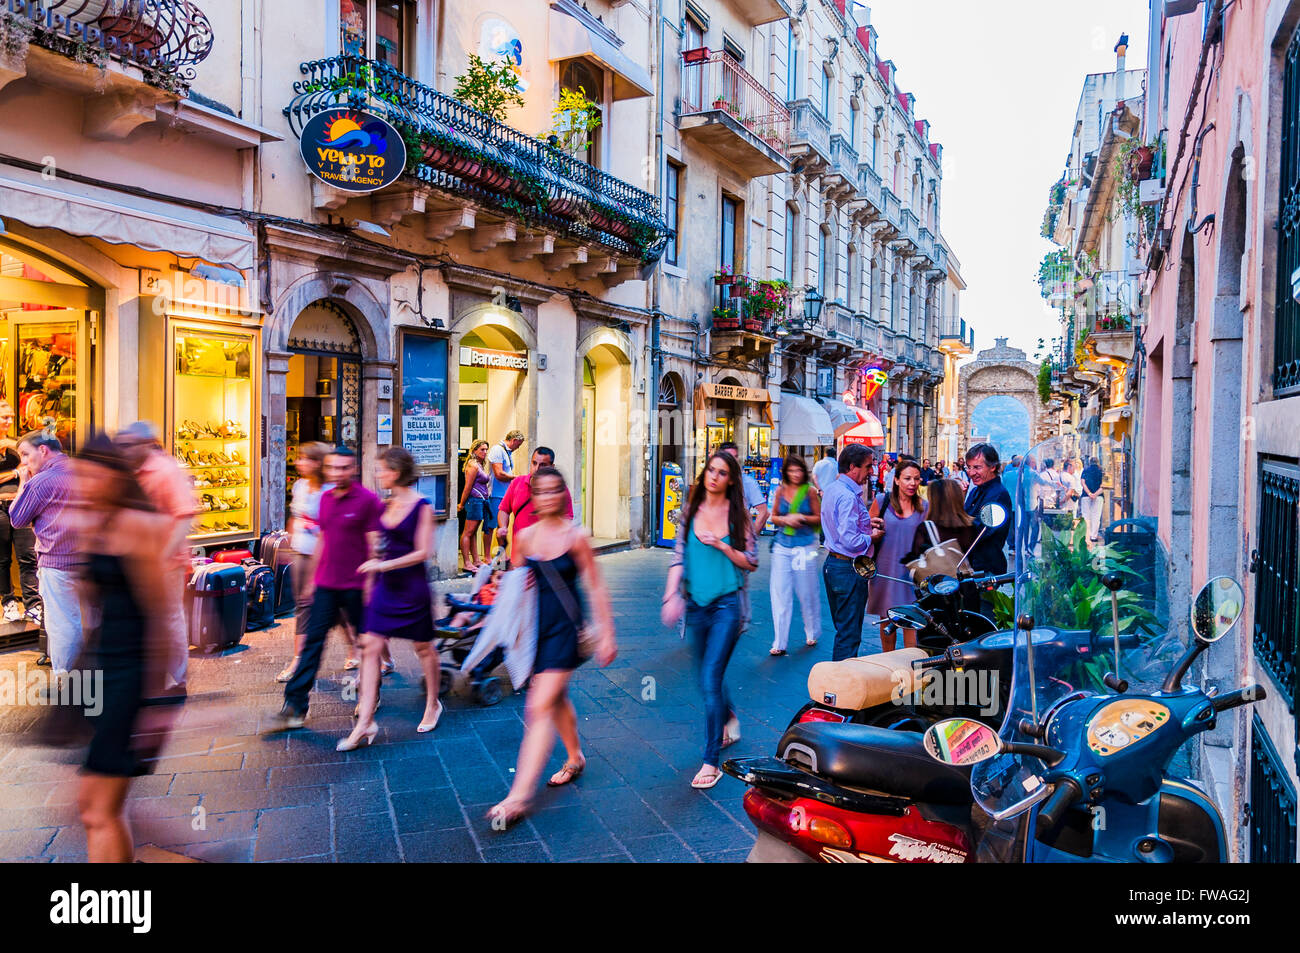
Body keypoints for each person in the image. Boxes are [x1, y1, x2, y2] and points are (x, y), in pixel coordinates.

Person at [488, 467, 616, 826]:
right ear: (533, 496)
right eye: (539, 492)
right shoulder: (525, 536)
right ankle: (575, 757)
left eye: (553, 491)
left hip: (566, 630)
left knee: (539, 705)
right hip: (537, 630)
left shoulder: (577, 538)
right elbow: (518, 583)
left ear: (563, 494)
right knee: (555, 699)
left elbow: (596, 586)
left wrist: (607, 633)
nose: (546, 498)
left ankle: (518, 796)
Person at [72, 435, 176, 863]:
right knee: (95, 806)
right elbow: (91, 599)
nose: (85, 485)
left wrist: (154, 700)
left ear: (116, 477)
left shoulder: (137, 523)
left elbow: (159, 613)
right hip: (98, 667)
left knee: (98, 808)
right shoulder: (102, 521)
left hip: (126, 674)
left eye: (93, 476)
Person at [661, 452, 758, 789]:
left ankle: (710, 761)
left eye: (721, 472)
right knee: (708, 675)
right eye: (710, 470)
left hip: (727, 606)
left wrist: (720, 545)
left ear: (731, 479)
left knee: (709, 679)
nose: (714, 477)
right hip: (696, 606)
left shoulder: (738, 516)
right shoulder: (690, 511)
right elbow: (678, 557)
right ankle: (729, 716)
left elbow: (751, 561)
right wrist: (671, 595)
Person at [273, 448, 384, 729]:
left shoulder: (368, 501)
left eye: (344, 468)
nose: (338, 473)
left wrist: (372, 586)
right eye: (334, 468)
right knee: (313, 643)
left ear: (354, 468)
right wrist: (312, 579)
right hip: (326, 584)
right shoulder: (324, 498)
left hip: (357, 585)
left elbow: (374, 547)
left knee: (364, 645)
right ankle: (295, 705)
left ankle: (372, 695)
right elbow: (322, 538)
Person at [339, 447, 442, 751]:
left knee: (423, 648)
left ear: (396, 472)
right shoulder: (385, 505)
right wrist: (371, 578)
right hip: (385, 586)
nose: (378, 474)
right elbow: (376, 547)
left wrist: (382, 566)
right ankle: (365, 722)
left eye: (382, 470)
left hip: (412, 587)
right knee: (369, 646)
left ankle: (433, 703)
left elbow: (424, 552)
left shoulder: (422, 506)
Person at [116, 421, 199, 691]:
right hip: (137, 560)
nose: (124, 451)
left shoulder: (165, 470)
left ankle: (177, 679)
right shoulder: (129, 471)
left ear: (144, 444)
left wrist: (163, 556)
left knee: (169, 617)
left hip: (166, 562)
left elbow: (185, 515)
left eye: (128, 445)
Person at [10, 430, 81, 676]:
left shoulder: (42, 481)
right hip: (90, 561)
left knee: (62, 624)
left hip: (58, 562)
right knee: (83, 621)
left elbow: (17, 518)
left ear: (43, 450)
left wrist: (23, 482)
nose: (25, 462)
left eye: (26, 454)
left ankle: (68, 681)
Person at [821, 444, 885, 661]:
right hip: (848, 567)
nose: (872, 472)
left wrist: (867, 524)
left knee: (844, 628)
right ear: (852, 467)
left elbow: (840, 528)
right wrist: (871, 537)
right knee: (848, 634)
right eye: (868, 467)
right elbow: (850, 540)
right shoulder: (848, 496)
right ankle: (841, 684)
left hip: (833, 565)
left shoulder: (832, 489)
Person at [867, 458, 928, 648]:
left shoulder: (924, 506)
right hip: (885, 571)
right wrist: (873, 531)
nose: (912, 483)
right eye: (907, 478)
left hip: (911, 573)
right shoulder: (881, 501)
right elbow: (866, 529)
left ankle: (912, 669)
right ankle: (888, 663)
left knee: (912, 621)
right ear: (896, 480)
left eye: (916, 479)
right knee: (886, 620)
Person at [768, 456, 822, 655]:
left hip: (804, 546)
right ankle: (779, 642)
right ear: (786, 472)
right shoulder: (781, 490)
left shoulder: (809, 491)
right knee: (780, 593)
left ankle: (811, 631)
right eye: (791, 471)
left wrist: (802, 518)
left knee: (805, 592)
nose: (795, 474)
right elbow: (773, 516)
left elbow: (819, 518)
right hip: (782, 545)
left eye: (798, 470)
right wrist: (784, 520)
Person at [495, 446, 574, 556]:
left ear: (552, 467)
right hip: (520, 555)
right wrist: (503, 527)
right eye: (534, 463)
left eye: (543, 465)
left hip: (547, 557)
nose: (537, 469)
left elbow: (567, 519)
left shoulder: (560, 490)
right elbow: (504, 509)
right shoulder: (517, 483)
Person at [0, 401, 38, 626]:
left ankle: (33, 604)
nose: (10, 421)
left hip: (21, 505)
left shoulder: (15, 445)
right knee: (3, 559)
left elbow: (33, 466)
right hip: (0, 507)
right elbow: (23, 469)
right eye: (5, 417)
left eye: (11, 417)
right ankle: (8, 603)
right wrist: (15, 472)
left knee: (28, 556)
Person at [962, 443, 1013, 612]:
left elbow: (978, 530)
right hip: (971, 567)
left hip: (984, 569)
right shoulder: (976, 491)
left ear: (993, 467)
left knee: (982, 621)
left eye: (977, 467)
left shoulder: (997, 494)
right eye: (968, 467)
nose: (971, 472)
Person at [904, 477, 980, 568]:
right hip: (964, 579)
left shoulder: (926, 528)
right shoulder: (972, 526)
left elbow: (916, 562)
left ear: (934, 500)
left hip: (939, 580)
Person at [484, 430, 525, 556]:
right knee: (490, 528)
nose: (518, 448)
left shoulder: (507, 452)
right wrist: (515, 478)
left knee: (502, 529)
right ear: (513, 440)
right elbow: (499, 474)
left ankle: (500, 557)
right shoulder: (498, 450)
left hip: (504, 495)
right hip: (496, 495)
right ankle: (487, 557)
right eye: (518, 445)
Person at [719, 442, 768, 537]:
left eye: (735, 456)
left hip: (738, 537)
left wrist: (751, 538)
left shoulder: (748, 482)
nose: (733, 460)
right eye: (729, 456)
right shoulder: (714, 480)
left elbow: (763, 512)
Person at [457, 439, 491, 572]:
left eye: (486, 449)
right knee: (468, 532)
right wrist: (461, 504)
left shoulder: (479, 464)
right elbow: (467, 487)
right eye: (482, 449)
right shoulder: (473, 465)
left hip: (481, 501)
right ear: (474, 450)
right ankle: (466, 562)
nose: (485, 452)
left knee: (473, 532)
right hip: (474, 501)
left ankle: (476, 560)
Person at [1079, 456, 1106, 542]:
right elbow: (1104, 485)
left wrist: (1089, 493)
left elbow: (1082, 483)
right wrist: (1095, 494)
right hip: (1098, 497)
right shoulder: (1102, 471)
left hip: (1086, 496)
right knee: (1096, 516)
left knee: (1086, 516)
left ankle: (1086, 537)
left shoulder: (1085, 470)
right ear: (1098, 462)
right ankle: (1093, 536)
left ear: (1089, 462)